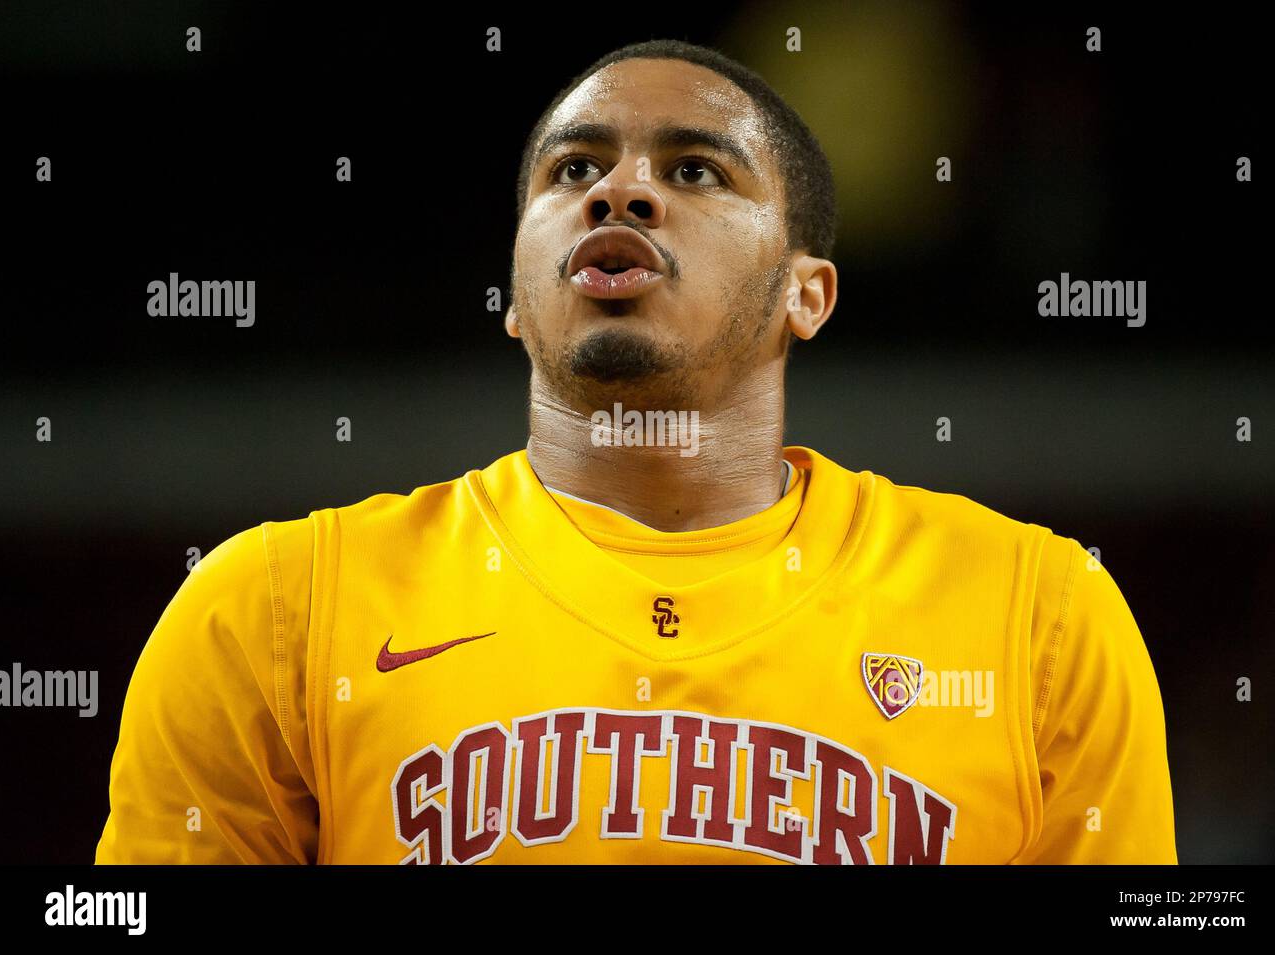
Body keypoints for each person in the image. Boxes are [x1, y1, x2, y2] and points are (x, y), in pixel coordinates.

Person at [96, 40, 1175, 864]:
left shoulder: (1037, 610)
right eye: (571, 169)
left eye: (699, 170)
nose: (618, 190)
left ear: (808, 292)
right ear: (517, 298)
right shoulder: (271, 607)